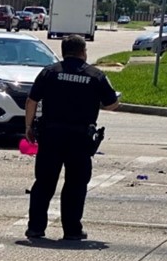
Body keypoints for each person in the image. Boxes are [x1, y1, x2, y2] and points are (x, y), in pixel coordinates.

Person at [24, 34, 120, 240]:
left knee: (44, 182)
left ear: (63, 51)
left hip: (51, 136)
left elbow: (31, 101)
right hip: (79, 138)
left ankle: (35, 227)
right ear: (83, 52)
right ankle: (72, 230)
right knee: (76, 184)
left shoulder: (49, 72)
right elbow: (112, 103)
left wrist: (29, 127)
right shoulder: (95, 76)